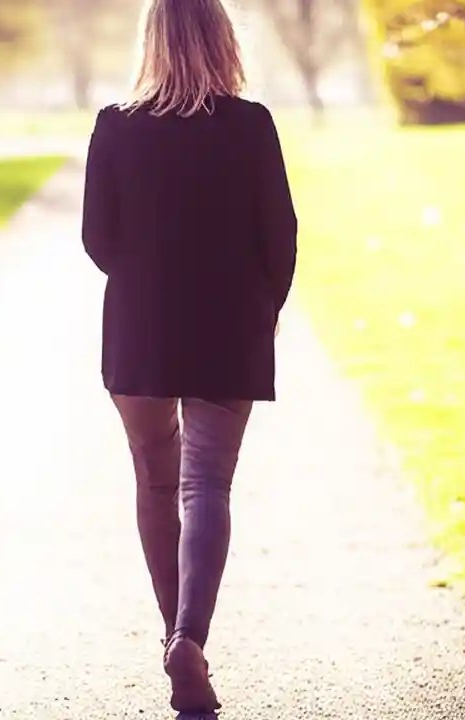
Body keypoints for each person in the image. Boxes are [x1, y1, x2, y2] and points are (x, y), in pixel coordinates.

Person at [80, 0, 298, 713]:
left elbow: (97, 241)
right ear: (222, 39)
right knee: (206, 484)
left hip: (140, 327)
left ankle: (173, 638)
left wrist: (148, 278)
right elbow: (281, 238)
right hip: (227, 325)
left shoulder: (115, 126)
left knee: (153, 480)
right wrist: (261, 311)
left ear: (151, 42)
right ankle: (190, 640)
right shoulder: (251, 125)